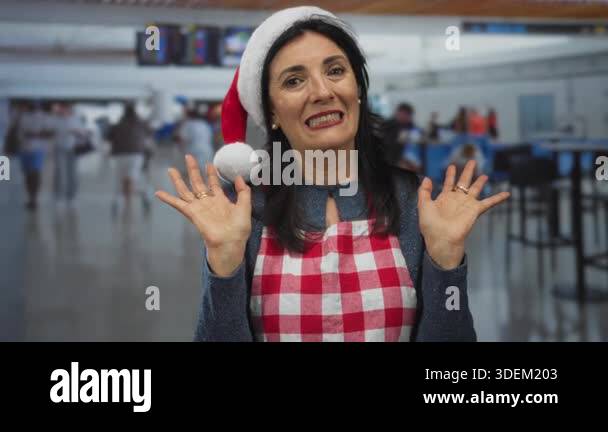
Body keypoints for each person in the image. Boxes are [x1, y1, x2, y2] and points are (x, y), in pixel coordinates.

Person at [155, 6, 510, 342]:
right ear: (272, 111)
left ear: (358, 89)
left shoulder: (412, 201)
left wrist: (446, 262)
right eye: (294, 81)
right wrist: (224, 265)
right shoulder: (244, 209)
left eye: (335, 70)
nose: (322, 92)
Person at [107, 104, 152, 215]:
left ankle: (119, 202)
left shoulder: (118, 125)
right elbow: (150, 133)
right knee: (133, 178)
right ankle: (138, 199)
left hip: (120, 154)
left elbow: (109, 137)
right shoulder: (141, 124)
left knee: (120, 178)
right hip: (136, 154)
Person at [17, 101, 55, 211]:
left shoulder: (44, 117)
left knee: (35, 172)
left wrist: (37, 134)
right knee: (27, 174)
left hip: (38, 149)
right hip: (24, 149)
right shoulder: (23, 116)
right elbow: (19, 133)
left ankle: (34, 198)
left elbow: (50, 132)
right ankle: (30, 196)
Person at [51, 102, 88, 210]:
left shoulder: (75, 119)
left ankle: (72, 197)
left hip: (73, 148)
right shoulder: (56, 120)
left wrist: (77, 132)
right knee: (60, 173)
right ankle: (58, 196)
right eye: (62, 108)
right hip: (59, 148)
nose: (63, 110)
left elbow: (83, 133)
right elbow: (50, 131)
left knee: (73, 173)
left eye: (65, 108)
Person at [175, 107, 215, 182]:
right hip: (207, 151)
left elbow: (181, 138)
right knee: (205, 175)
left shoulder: (187, 124)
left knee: (190, 176)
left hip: (193, 152)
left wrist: (179, 147)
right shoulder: (204, 124)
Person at [383, 102, 423, 171]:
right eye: (402, 114)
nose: (403, 117)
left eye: (407, 115)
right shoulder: (388, 125)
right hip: (392, 159)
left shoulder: (412, 127)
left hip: (408, 158)